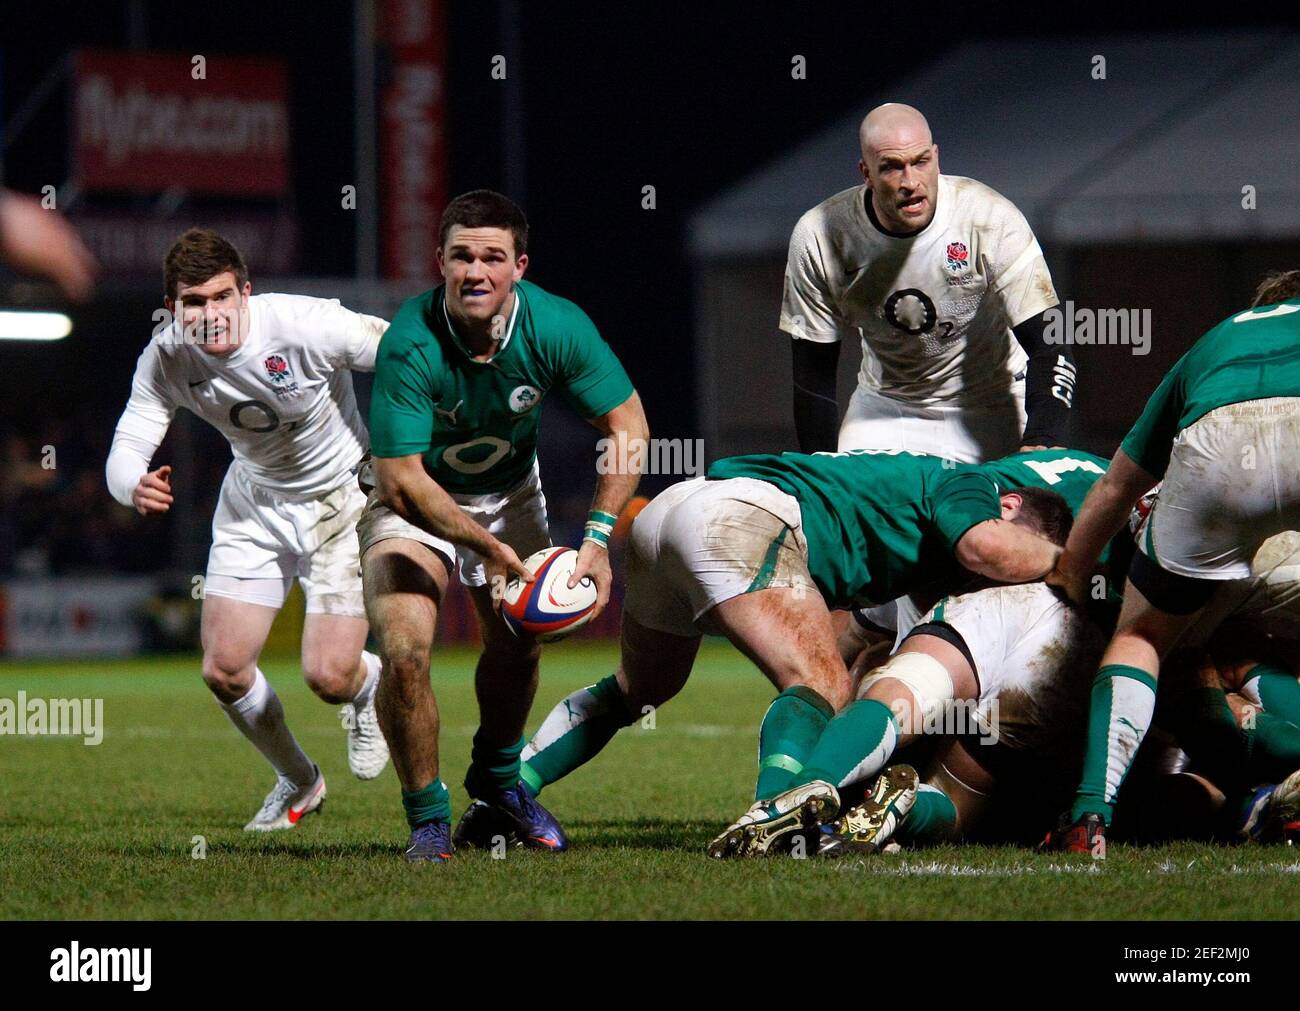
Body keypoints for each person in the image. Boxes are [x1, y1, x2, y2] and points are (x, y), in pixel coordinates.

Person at [358, 190, 649, 861]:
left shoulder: (556, 325)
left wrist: (599, 538)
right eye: (462, 255)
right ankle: (428, 819)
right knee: (404, 650)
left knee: (518, 643)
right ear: (440, 262)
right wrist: (486, 549)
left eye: (493, 256)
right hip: (413, 500)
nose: (476, 271)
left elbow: (628, 425)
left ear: (520, 264)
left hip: (511, 493)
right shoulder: (411, 340)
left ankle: (496, 785)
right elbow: (400, 476)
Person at [105, 228, 390, 830]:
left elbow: (400, 352)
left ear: (246, 293)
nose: (210, 315)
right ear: (173, 307)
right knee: (225, 669)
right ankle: (299, 779)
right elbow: (128, 442)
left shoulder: (303, 323)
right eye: (193, 302)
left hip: (341, 501)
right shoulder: (165, 358)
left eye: (221, 297)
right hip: (254, 504)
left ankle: (367, 689)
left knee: (328, 676)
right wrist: (130, 482)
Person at [1045, 270, 1300, 854]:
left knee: (1143, 639)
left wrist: (1069, 576)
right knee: (1248, 655)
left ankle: (1089, 816)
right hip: (1278, 575)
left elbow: (1114, 486)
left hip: (1219, 463)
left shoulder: (1219, 338)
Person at [786, 104, 1075, 461]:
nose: (910, 182)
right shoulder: (820, 235)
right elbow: (813, 374)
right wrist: (818, 472)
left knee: (1008, 513)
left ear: (937, 158)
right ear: (866, 173)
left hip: (993, 401)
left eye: (920, 162)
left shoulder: (989, 217)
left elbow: (1051, 343)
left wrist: (1042, 439)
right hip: (888, 407)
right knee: (847, 508)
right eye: (892, 167)